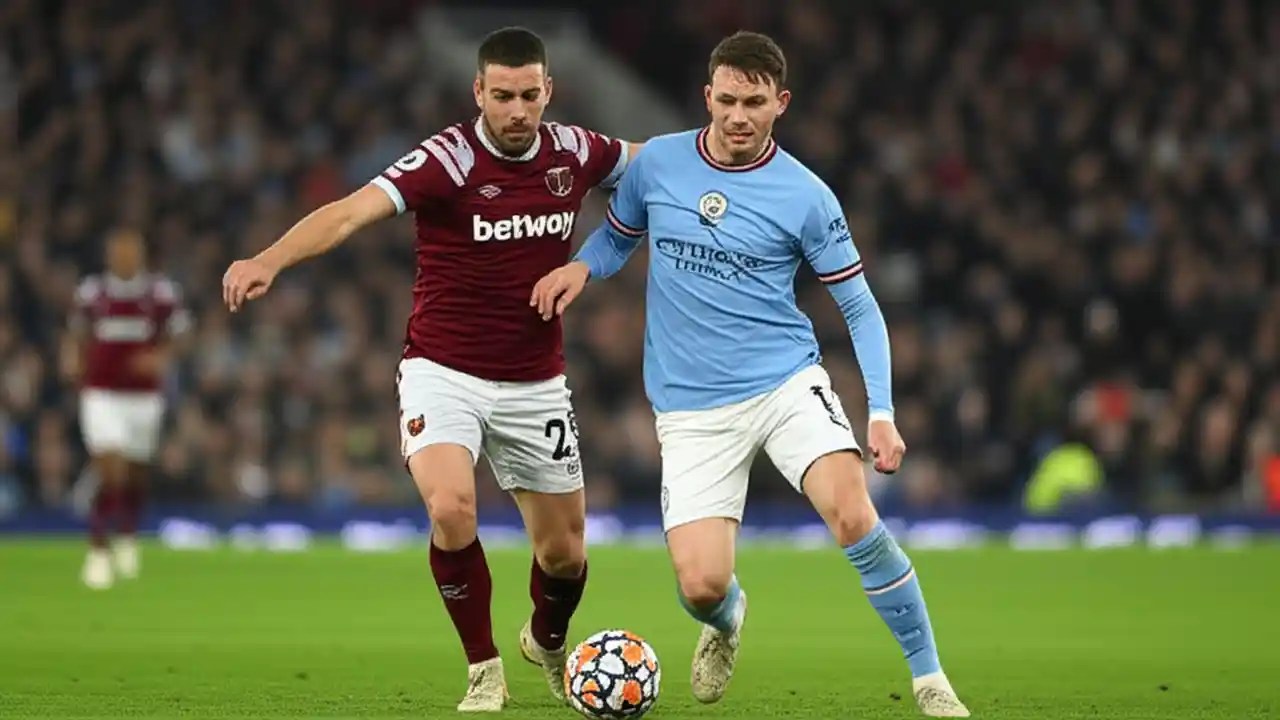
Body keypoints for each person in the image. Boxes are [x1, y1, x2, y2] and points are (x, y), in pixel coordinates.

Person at [530, 31, 969, 717]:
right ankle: (727, 621)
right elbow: (618, 235)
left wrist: (880, 409)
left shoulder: (806, 196)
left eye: (754, 103)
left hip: (785, 384)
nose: (738, 116)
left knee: (853, 512)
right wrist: (582, 266)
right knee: (701, 584)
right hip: (690, 408)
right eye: (727, 100)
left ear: (780, 103)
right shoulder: (661, 164)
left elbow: (859, 304)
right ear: (708, 96)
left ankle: (929, 677)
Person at [222, 27, 639, 712]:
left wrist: (723, 151)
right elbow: (351, 211)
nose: (515, 110)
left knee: (564, 555)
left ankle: (546, 639)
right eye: (501, 95)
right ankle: (484, 666)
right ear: (478, 91)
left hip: (536, 379)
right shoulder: (445, 160)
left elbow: (651, 164)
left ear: (548, 92)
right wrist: (268, 259)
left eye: (528, 95)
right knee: (450, 507)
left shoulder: (574, 150)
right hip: (443, 370)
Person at [66, 228, 191, 590]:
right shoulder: (93, 293)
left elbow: (181, 333)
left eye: (130, 251)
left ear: (140, 255)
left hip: (144, 397)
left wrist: (161, 356)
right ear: (109, 254)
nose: (123, 257)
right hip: (102, 394)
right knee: (110, 469)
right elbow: (76, 333)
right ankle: (98, 549)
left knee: (135, 472)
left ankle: (127, 534)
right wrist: (72, 360)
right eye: (117, 251)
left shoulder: (160, 293)